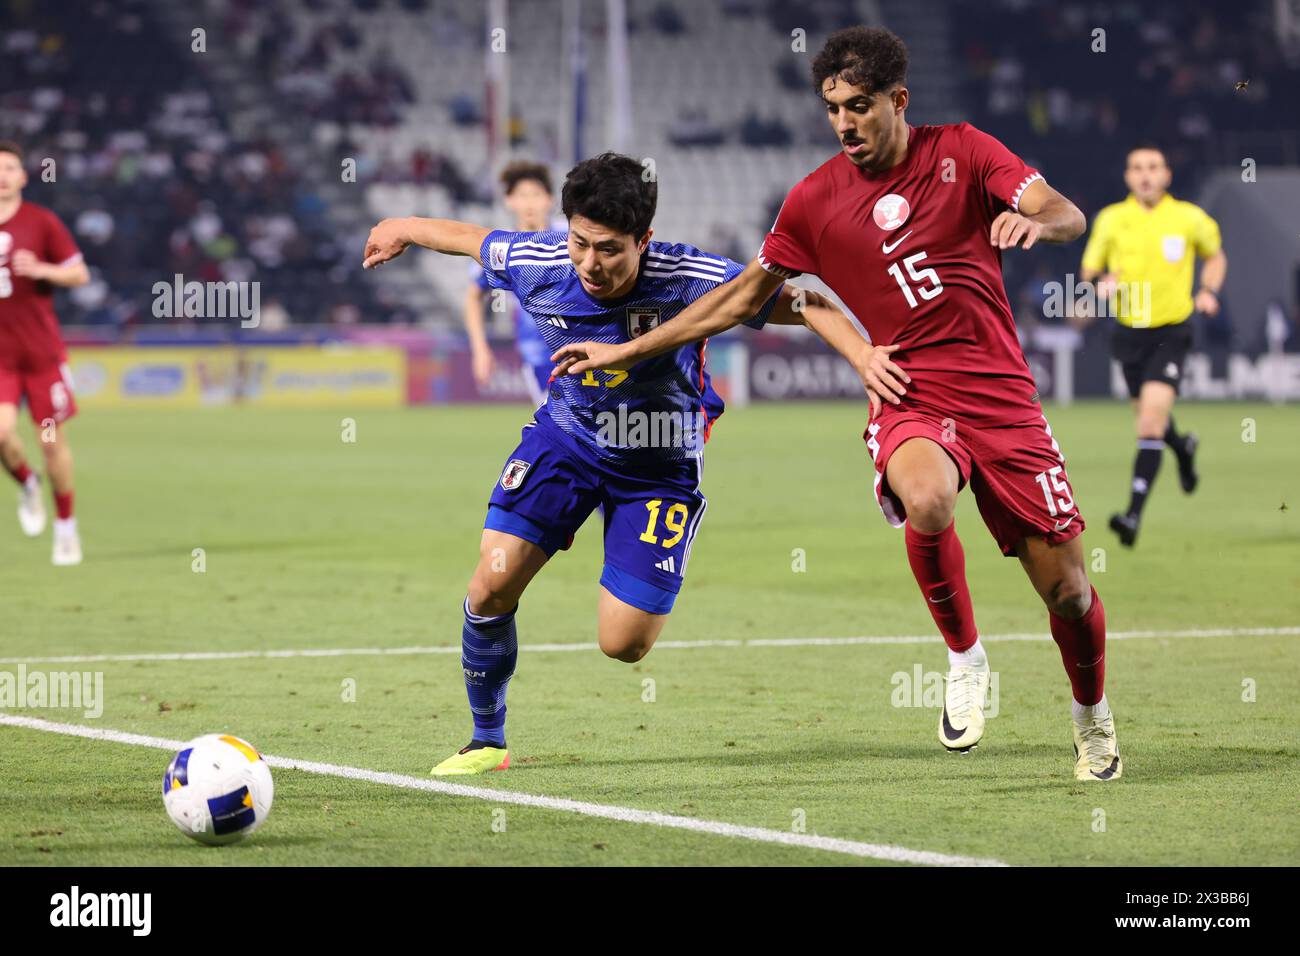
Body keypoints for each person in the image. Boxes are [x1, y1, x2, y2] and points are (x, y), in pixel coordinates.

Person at [552, 28, 1122, 781]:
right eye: (832, 109)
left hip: (1004, 397)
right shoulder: (813, 200)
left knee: (1070, 593)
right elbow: (738, 303)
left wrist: (1034, 222)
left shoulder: (967, 151)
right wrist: (625, 352)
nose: (845, 124)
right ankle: (964, 657)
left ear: (899, 100)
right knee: (925, 500)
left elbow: (1066, 212)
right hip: (908, 390)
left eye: (859, 106)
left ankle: (1091, 718)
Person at [363, 152, 901, 775]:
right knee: (490, 581)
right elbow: (469, 239)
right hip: (567, 441)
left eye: (611, 250)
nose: (591, 264)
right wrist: (400, 224)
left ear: (644, 239)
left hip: (659, 460)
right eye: (580, 243)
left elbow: (807, 303)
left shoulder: (693, 276)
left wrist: (863, 358)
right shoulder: (540, 263)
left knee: (624, 644)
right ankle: (488, 739)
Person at [1079, 145, 1226, 547]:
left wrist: (1209, 290)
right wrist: (1099, 283)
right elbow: (1090, 269)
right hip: (1128, 335)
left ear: (1167, 176)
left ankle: (1131, 516)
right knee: (1154, 421)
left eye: (1154, 167)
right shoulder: (1111, 220)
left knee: (1147, 424)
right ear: (1127, 177)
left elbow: (1215, 257)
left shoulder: (1189, 218)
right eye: (1137, 168)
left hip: (1171, 331)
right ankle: (1184, 447)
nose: (1146, 174)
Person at [0, 141, 90, 566]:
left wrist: (42, 269)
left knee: (51, 442)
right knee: (1, 434)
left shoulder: (42, 222)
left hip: (41, 361)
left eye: (10, 168)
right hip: (1, 361)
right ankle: (27, 482)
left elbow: (79, 272)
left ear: (23, 177)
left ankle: (66, 526)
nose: (3, 175)